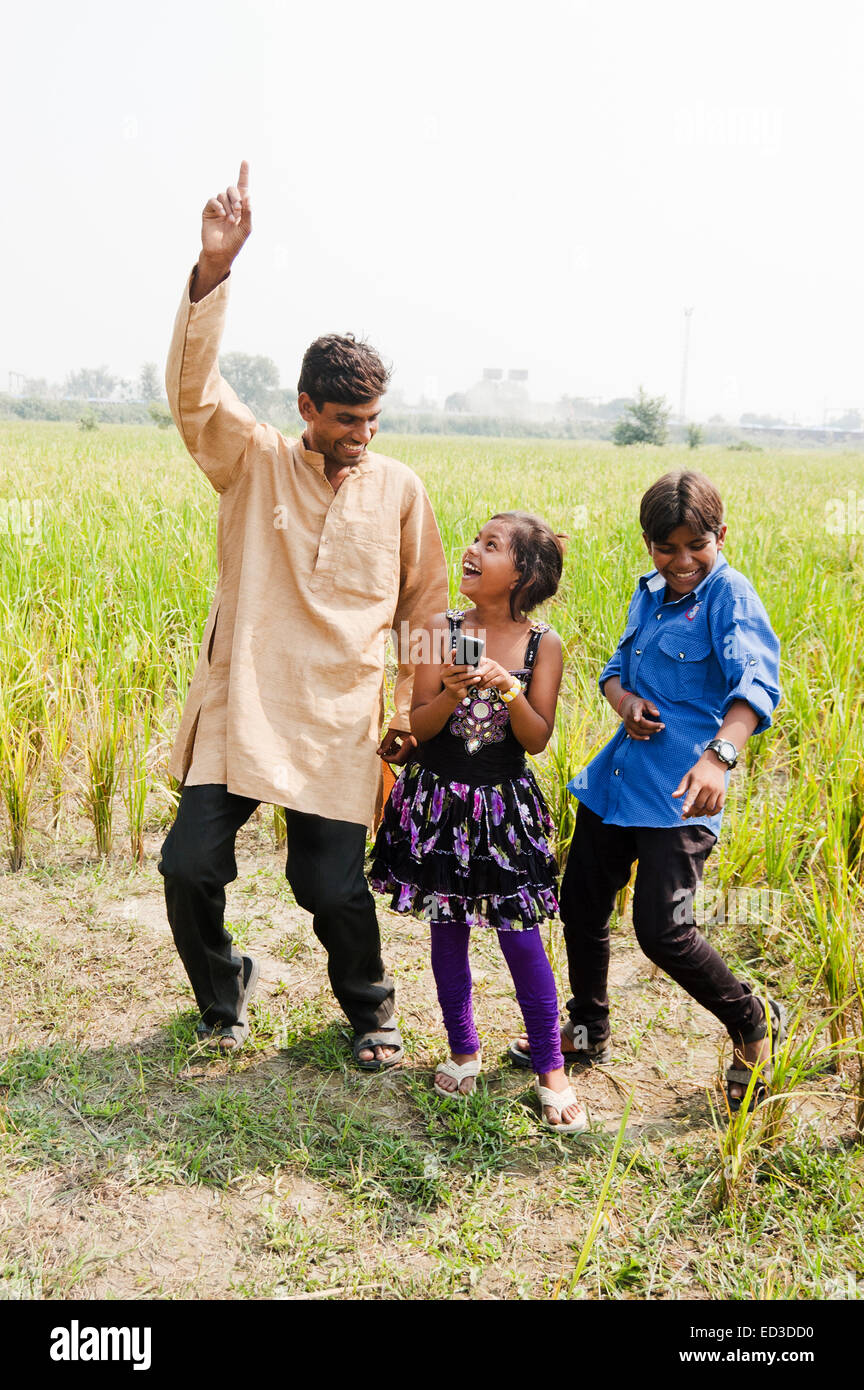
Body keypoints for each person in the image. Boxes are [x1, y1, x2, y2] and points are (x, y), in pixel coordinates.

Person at [157, 161, 449, 1066]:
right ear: (306, 408)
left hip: (337, 725)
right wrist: (213, 272)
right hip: (242, 707)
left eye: (373, 420)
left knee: (328, 885)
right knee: (188, 867)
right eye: (348, 419)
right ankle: (224, 991)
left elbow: (425, 612)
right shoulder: (253, 459)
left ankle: (371, 1013)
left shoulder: (400, 489)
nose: (363, 436)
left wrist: (413, 714)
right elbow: (193, 395)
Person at [509, 470, 783, 1112]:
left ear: (722, 535)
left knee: (664, 931)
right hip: (618, 783)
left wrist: (720, 756)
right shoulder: (647, 593)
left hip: (681, 796)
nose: (683, 561)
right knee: (579, 904)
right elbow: (612, 672)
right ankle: (587, 1025)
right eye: (667, 547)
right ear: (648, 544)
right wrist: (625, 700)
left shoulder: (729, 597)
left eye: (697, 545)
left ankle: (753, 1021)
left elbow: (756, 687)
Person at [369, 512, 587, 1132]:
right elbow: (420, 721)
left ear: (523, 574)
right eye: (475, 540)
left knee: (522, 937)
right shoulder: (439, 629)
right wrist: (455, 693)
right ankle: (463, 1050)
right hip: (439, 806)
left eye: (491, 546)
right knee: (448, 930)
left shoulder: (545, 646)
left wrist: (507, 689)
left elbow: (538, 739)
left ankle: (551, 1066)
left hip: (501, 811)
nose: (471, 550)